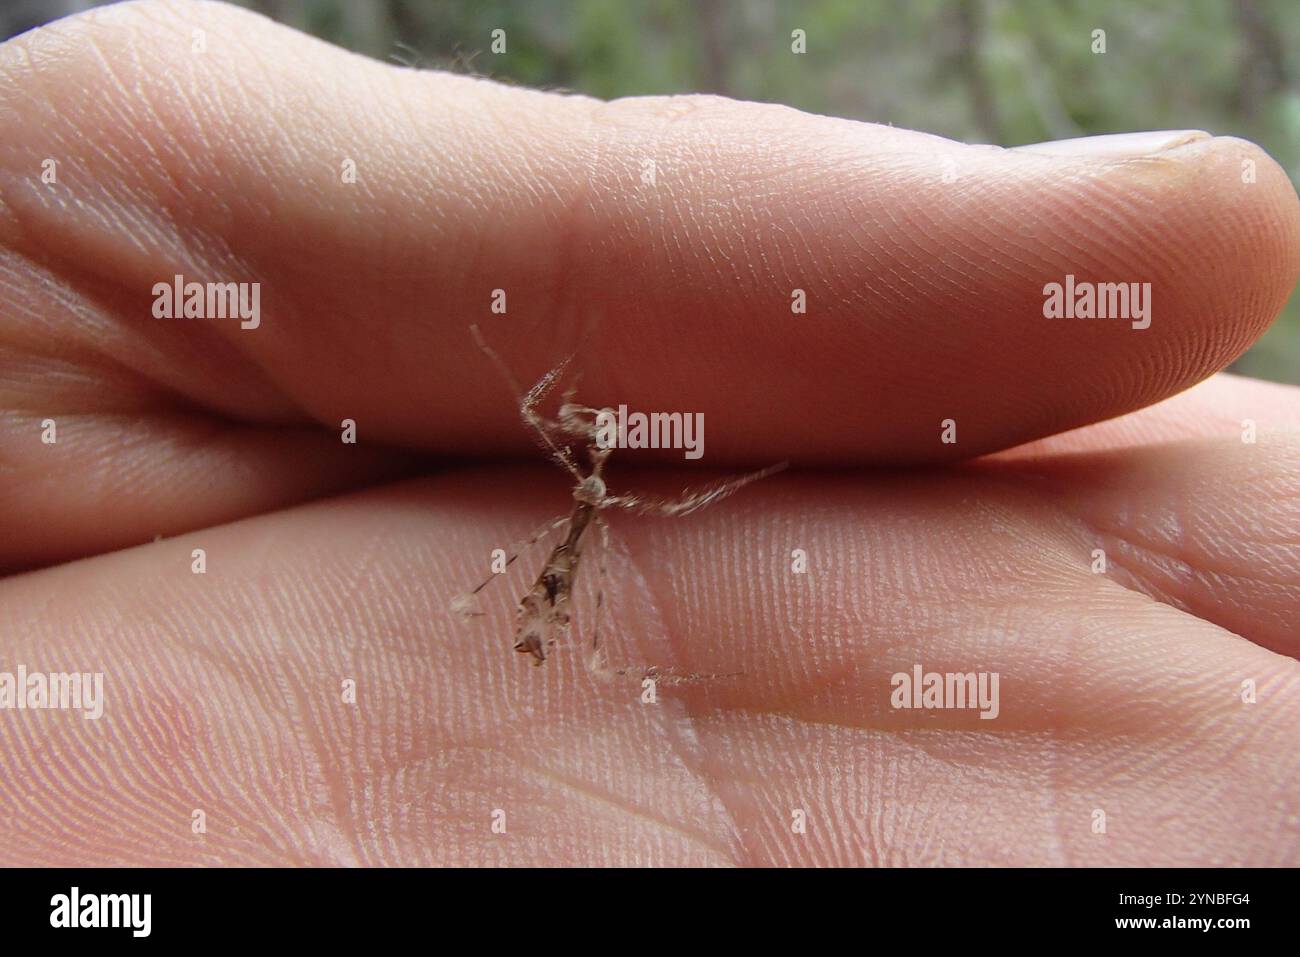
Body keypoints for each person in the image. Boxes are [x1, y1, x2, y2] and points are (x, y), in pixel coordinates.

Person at [0, 0, 1297, 866]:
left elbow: (599, 470)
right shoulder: (584, 475)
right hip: (570, 528)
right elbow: (563, 444)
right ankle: (520, 618)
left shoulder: (598, 483)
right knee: (545, 566)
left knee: (570, 558)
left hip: (589, 525)